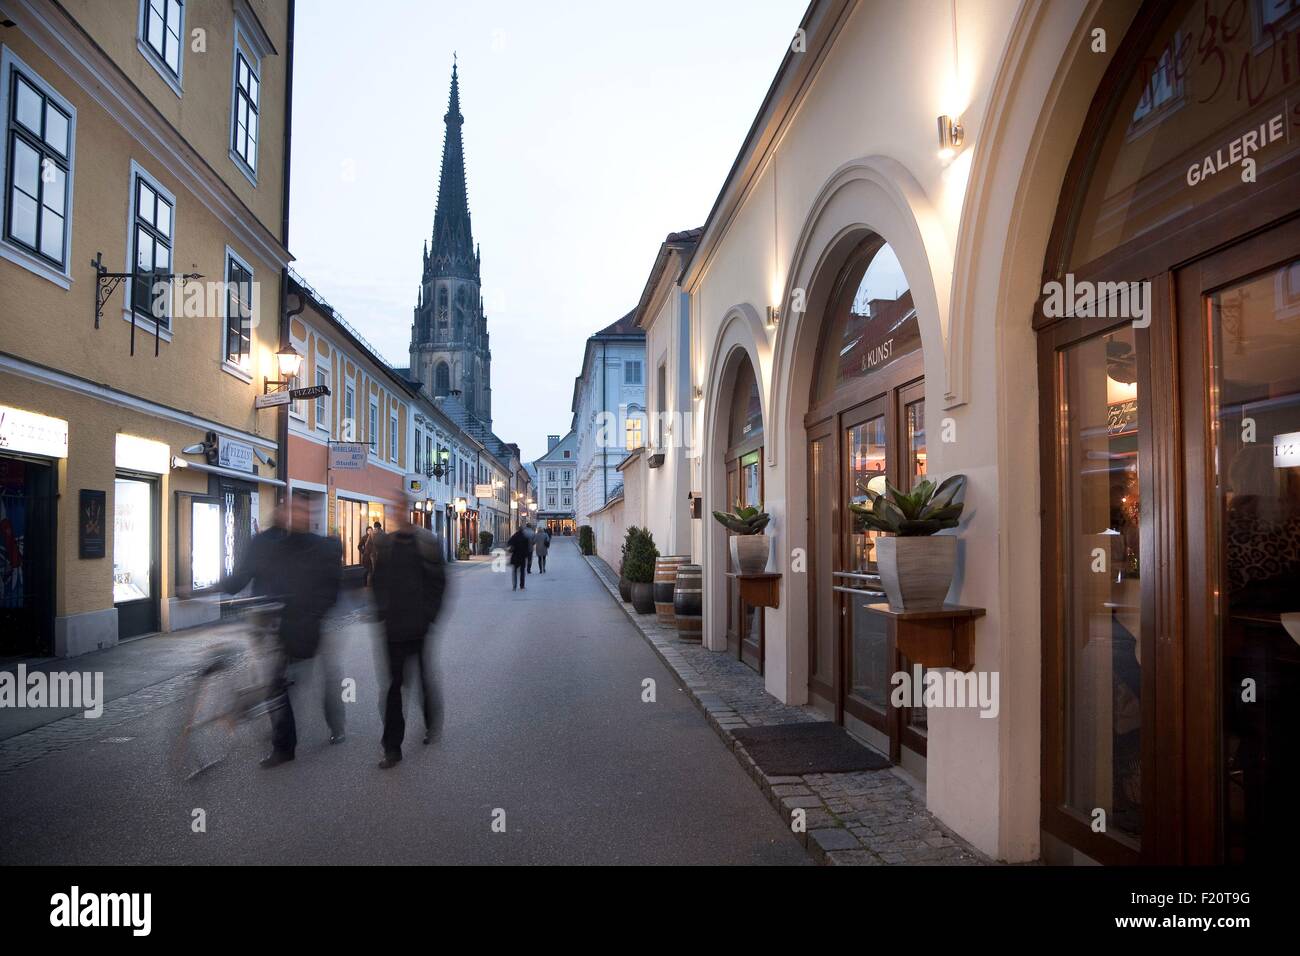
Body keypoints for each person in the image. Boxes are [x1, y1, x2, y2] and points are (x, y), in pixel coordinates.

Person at [220, 496, 343, 767]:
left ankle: (336, 724)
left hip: (311, 626)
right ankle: (284, 745)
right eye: (290, 510)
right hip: (280, 624)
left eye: (300, 510)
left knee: (326, 677)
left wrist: (313, 614)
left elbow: (331, 589)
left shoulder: (323, 548)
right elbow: (250, 572)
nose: (294, 515)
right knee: (277, 685)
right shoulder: (276, 545)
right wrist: (213, 589)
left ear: (309, 515)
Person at [372, 507, 447, 769]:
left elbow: (439, 583)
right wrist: (380, 611)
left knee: (424, 681)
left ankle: (431, 722)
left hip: (418, 626)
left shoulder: (425, 543)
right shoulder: (387, 545)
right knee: (394, 688)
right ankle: (392, 748)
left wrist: (429, 616)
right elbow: (378, 581)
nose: (398, 515)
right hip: (393, 629)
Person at [506, 525, 531, 591]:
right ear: (522, 530)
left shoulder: (514, 536)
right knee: (522, 572)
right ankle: (522, 586)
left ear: (517, 530)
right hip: (522, 557)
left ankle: (514, 586)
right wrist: (527, 556)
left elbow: (509, 543)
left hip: (515, 557)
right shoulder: (525, 537)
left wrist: (511, 548)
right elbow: (527, 548)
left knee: (514, 572)